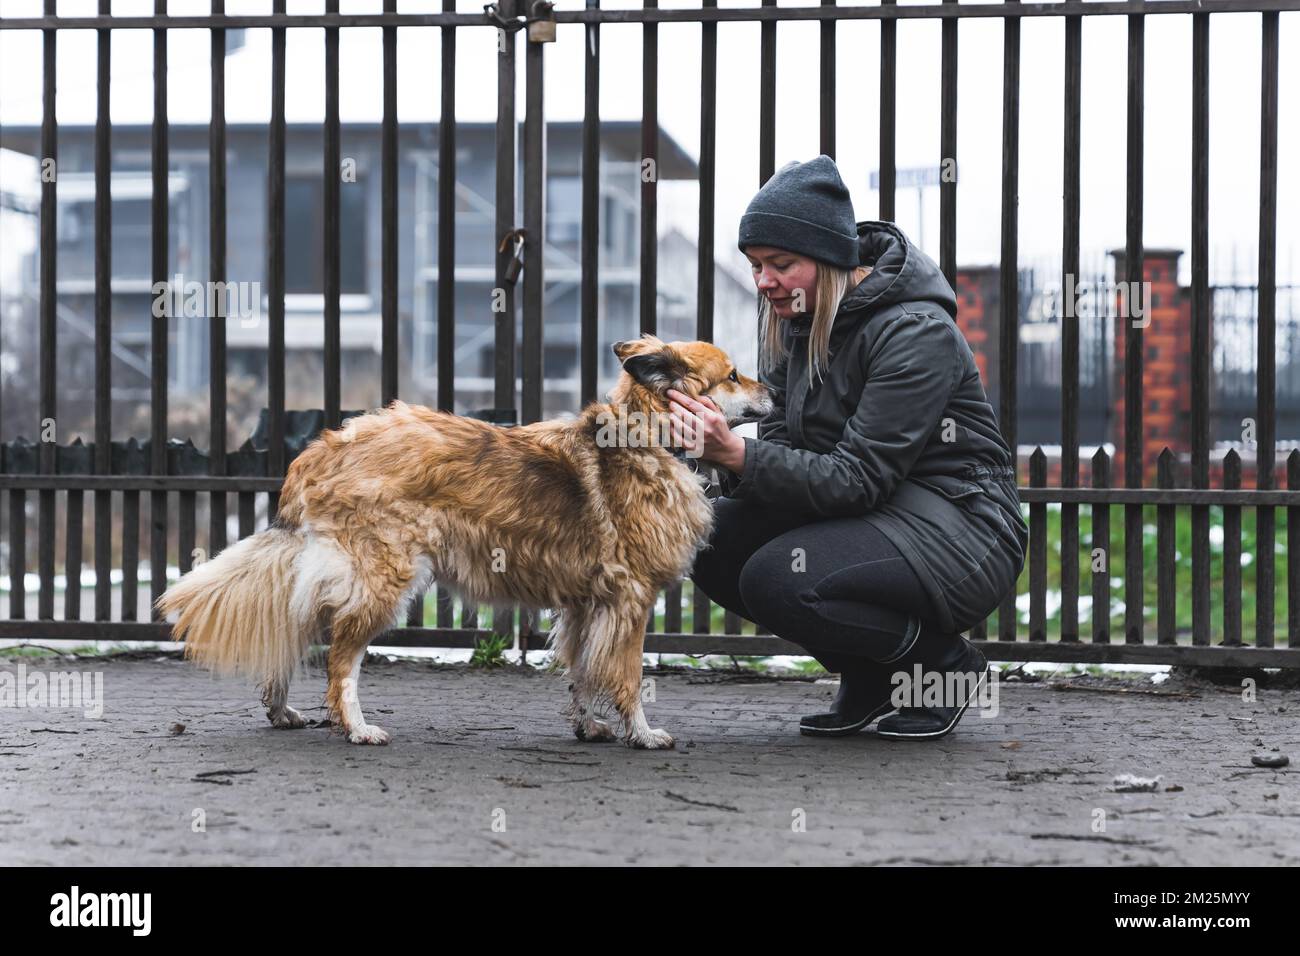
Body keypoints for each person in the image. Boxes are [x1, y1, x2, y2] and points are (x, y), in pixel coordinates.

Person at [667, 154, 1028, 740]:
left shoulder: (914, 332)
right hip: (879, 515)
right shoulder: (795, 326)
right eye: (757, 265)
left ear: (832, 259)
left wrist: (734, 454)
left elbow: (859, 477)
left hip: (962, 527)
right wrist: (722, 458)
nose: (764, 282)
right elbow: (784, 441)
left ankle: (947, 668)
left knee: (779, 578)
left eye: (781, 264)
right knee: (709, 539)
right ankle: (871, 677)